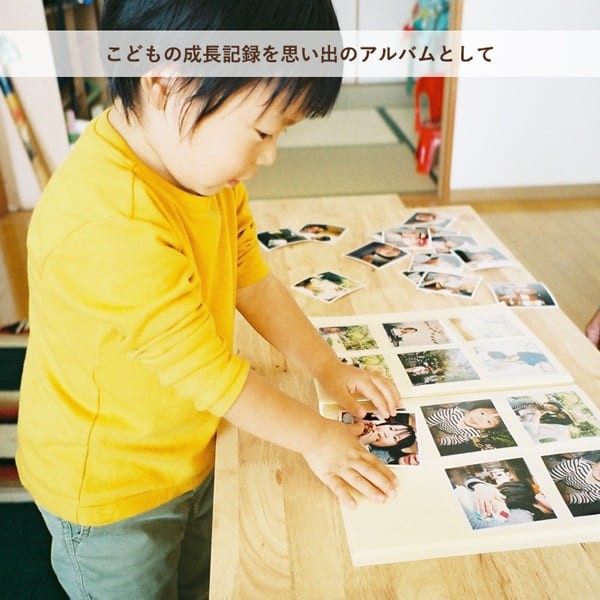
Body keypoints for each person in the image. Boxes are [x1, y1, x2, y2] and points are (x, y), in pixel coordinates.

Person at [16, 2, 402, 598]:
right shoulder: (110, 219)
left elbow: (253, 281)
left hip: (190, 446)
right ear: (166, 80)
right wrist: (316, 437)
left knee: (202, 578)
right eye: (264, 131)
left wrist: (327, 367)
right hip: (110, 490)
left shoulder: (203, 174)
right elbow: (210, 375)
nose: (270, 155)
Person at [425, 403, 502, 447]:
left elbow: (457, 439)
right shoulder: (456, 412)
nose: (480, 419)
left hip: (447, 431)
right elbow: (436, 417)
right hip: (437, 418)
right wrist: (427, 426)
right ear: (476, 408)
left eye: (488, 422)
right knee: (426, 415)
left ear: (487, 429)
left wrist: (441, 441)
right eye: (482, 413)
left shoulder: (473, 433)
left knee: (436, 440)